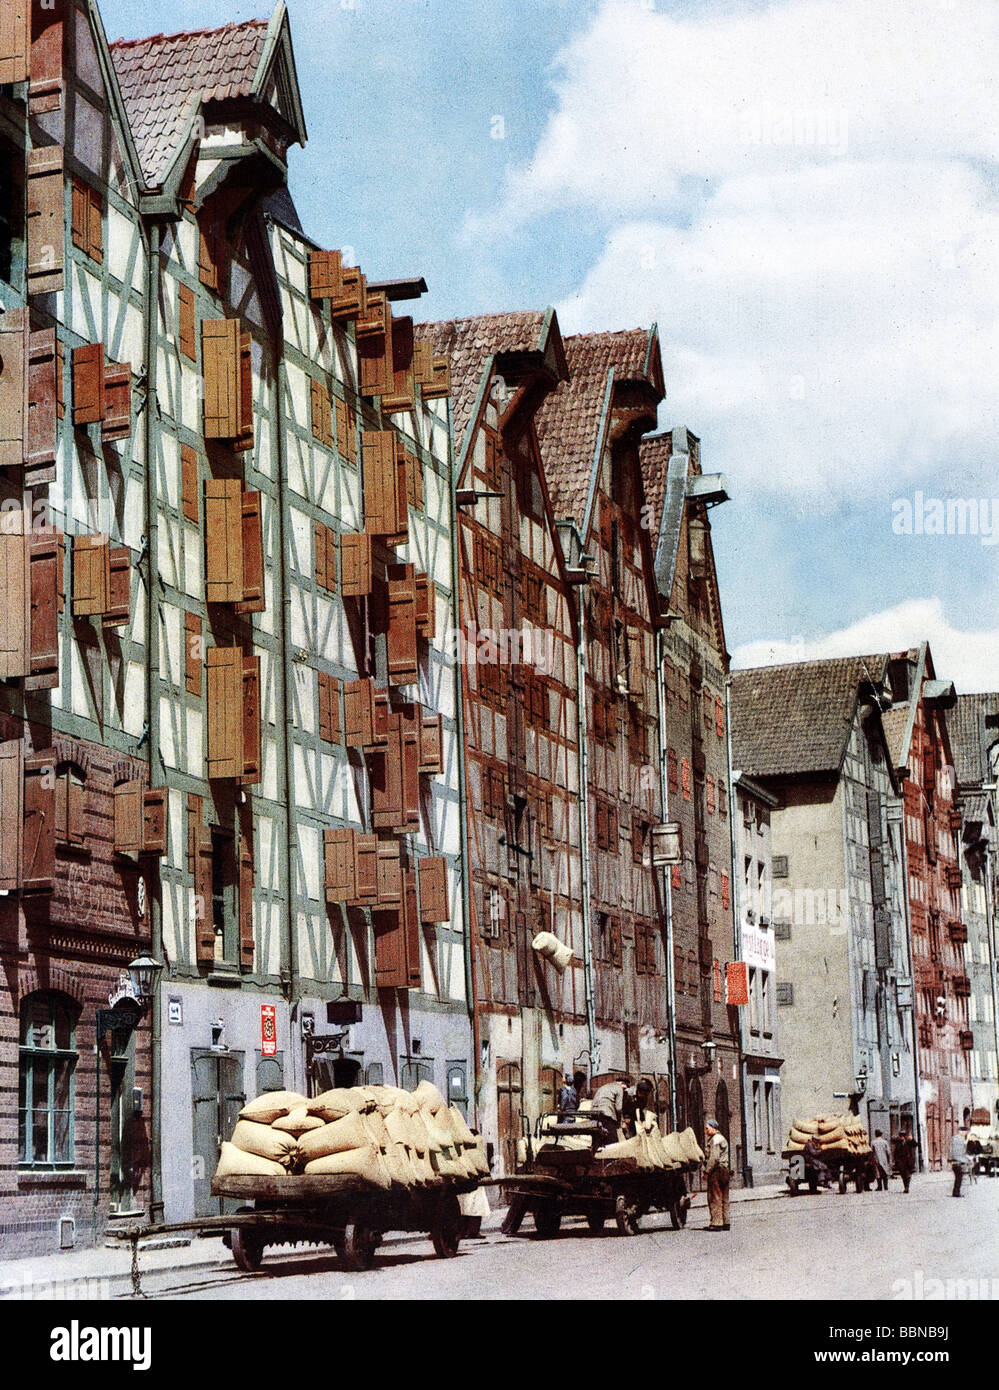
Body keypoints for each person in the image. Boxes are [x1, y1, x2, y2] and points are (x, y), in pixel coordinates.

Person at [589, 1077, 652, 1147]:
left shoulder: (604, 1087)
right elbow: (619, 1107)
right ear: (622, 1083)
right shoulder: (624, 1091)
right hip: (611, 1114)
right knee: (612, 1141)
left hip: (594, 1113)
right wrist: (622, 1121)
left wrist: (643, 1122)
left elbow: (642, 1109)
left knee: (599, 1138)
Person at [704, 1117, 731, 1230]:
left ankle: (716, 1223)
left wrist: (706, 1171)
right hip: (725, 1169)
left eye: (707, 1128)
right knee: (724, 1196)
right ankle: (726, 1221)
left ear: (713, 1128)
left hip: (716, 1171)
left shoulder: (715, 1139)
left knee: (715, 1196)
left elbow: (714, 1158)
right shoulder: (722, 1138)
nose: (706, 1131)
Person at [893, 1126, 917, 1193]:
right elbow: (895, 1153)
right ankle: (905, 1186)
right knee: (903, 1175)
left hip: (908, 1161)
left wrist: (912, 1139)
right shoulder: (898, 1143)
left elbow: (915, 1144)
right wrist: (896, 1161)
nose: (902, 1137)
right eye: (901, 1136)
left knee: (908, 1175)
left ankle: (907, 1187)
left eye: (903, 1136)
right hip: (901, 1162)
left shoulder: (908, 1142)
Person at [950, 1125, 968, 1197]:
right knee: (959, 1178)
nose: (966, 1134)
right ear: (962, 1132)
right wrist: (965, 1160)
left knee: (958, 1178)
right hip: (958, 1162)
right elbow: (960, 1152)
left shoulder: (954, 1138)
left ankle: (956, 1192)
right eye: (966, 1132)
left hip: (954, 1161)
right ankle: (956, 1193)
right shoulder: (960, 1140)